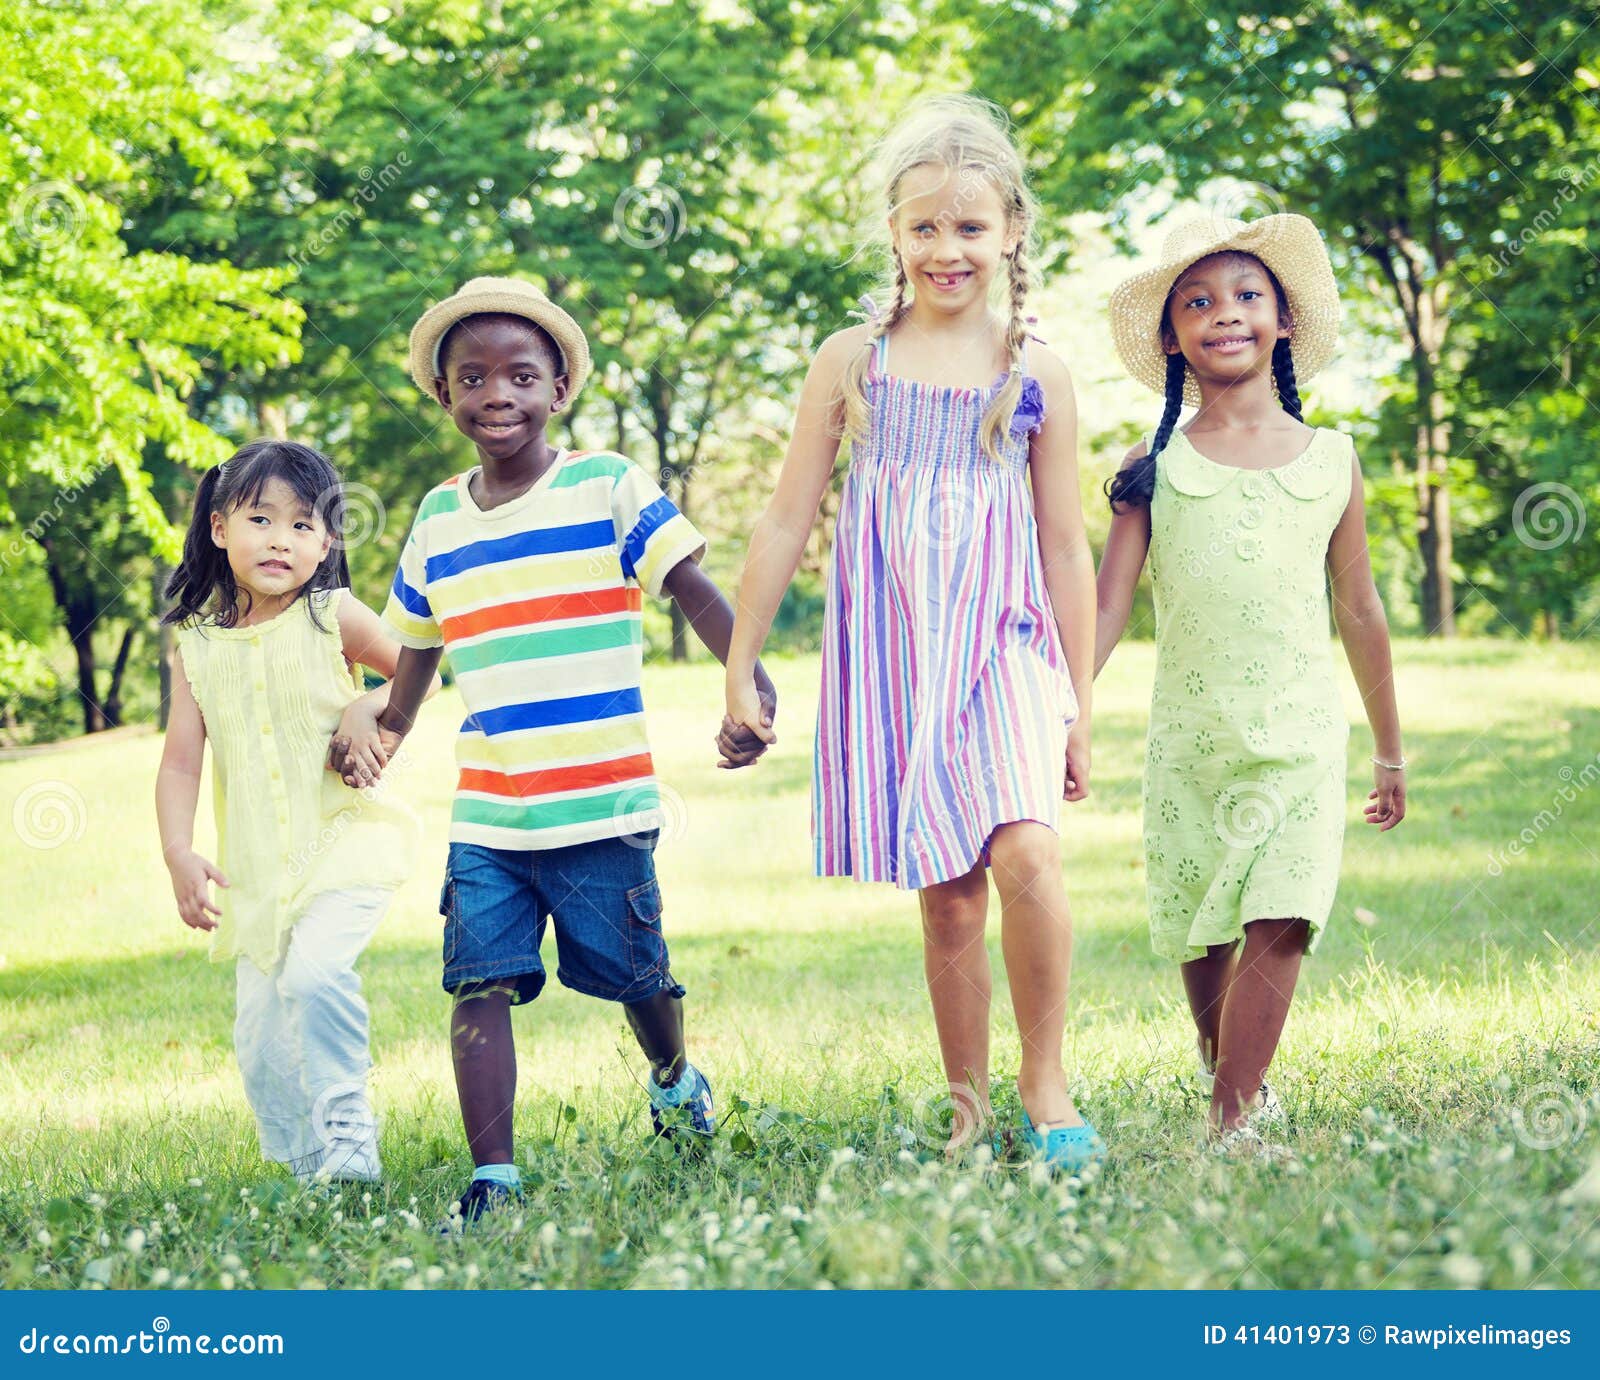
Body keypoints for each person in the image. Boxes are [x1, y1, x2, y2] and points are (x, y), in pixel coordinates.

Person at [720, 97, 1102, 1169]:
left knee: (1026, 847)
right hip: (894, 657)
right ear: (892, 233)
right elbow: (788, 515)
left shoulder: (1038, 371)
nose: (947, 249)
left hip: (1008, 645)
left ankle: (1045, 1078)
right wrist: (739, 663)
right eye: (925, 227)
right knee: (946, 897)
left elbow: (1066, 547)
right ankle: (968, 1104)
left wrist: (1079, 705)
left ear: (1011, 232)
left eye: (970, 228)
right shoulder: (852, 360)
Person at [366, 276, 774, 1224]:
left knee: (637, 976)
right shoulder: (436, 519)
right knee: (476, 979)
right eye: (472, 377)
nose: (496, 393)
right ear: (446, 396)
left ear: (557, 390)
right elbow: (417, 649)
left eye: (520, 375)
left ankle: (674, 1078)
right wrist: (386, 725)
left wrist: (744, 676)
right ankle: (493, 1178)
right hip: (491, 811)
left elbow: (691, 587)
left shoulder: (607, 484)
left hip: (601, 803)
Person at [1094, 214, 1407, 1151]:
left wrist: (1389, 747)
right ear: (1170, 336)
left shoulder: (1332, 461)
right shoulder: (1154, 469)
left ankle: (1233, 1116)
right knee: (1203, 922)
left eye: (1244, 296)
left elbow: (1360, 610)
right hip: (1191, 736)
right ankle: (1229, 1071)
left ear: (1281, 322)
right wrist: (1060, 709)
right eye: (1196, 301)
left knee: (1285, 907)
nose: (1222, 314)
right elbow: (1106, 610)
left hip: (1302, 735)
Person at [155, 440, 431, 1184]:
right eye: (261, 519)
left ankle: (350, 1145)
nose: (282, 539)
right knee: (259, 1040)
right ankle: (307, 1168)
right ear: (219, 529)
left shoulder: (330, 613)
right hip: (256, 873)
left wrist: (367, 710)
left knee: (313, 976)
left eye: (304, 525)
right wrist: (178, 852)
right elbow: (182, 760)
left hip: (347, 844)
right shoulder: (197, 648)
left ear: (328, 541)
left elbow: (419, 672)